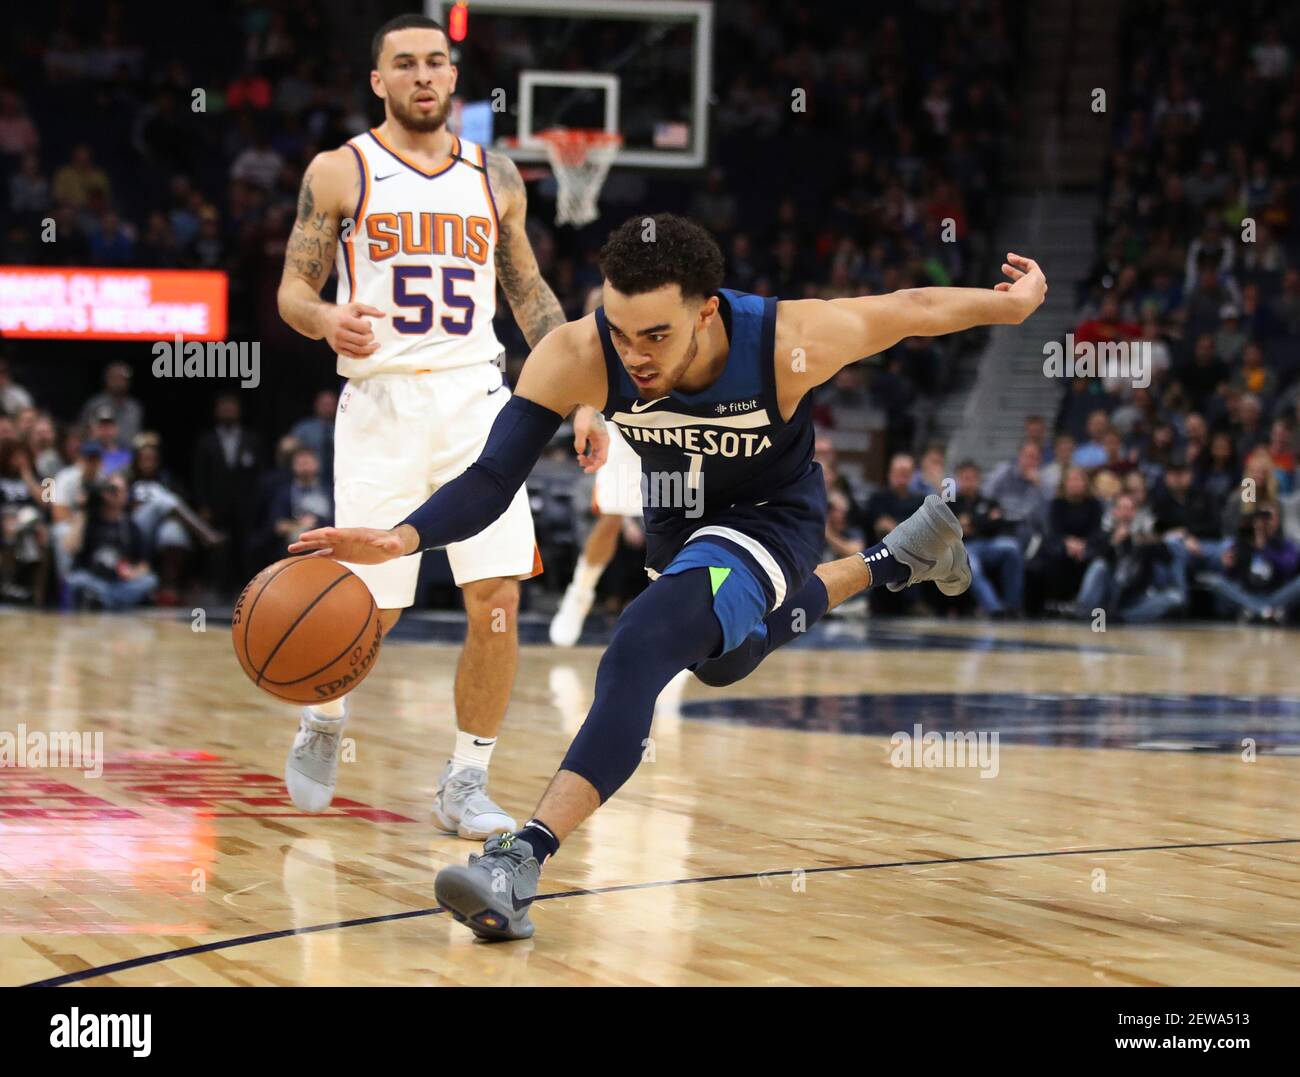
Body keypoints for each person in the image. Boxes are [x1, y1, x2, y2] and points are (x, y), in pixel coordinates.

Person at [291, 213, 1047, 939]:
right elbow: (492, 478)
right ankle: (898, 558)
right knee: (726, 660)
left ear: (708, 313)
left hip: (770, 518)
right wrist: (404, 536)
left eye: (657, 334)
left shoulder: (790, 340)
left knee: (639, 646)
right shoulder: (579, 353)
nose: (637, 355)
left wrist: (1011, 308)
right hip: (678, 516)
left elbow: (911, 307)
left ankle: (521, 861)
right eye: (622, 333)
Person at [274, 14, 608, 835]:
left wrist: (585, 394)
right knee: (369, 605)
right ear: (378, 81)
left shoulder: (497, 177)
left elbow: (532, 297)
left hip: (476, 401)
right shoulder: (339, 171)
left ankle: (466, 778)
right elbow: (290, 289)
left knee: (494, 598)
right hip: (381, 405)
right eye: (404, 64)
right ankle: (324, 719)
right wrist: (322, 320)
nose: (423, 75)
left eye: (437, 62)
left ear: (454, 78)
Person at [550, 288, 646, 647]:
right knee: (613, 513)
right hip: (622, 407)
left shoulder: (677, 287)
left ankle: (683, 615)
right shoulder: (602, 296)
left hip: (671, 402)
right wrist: (587, 408)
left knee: (684, 515)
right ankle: (580, 593)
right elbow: (592, 351)